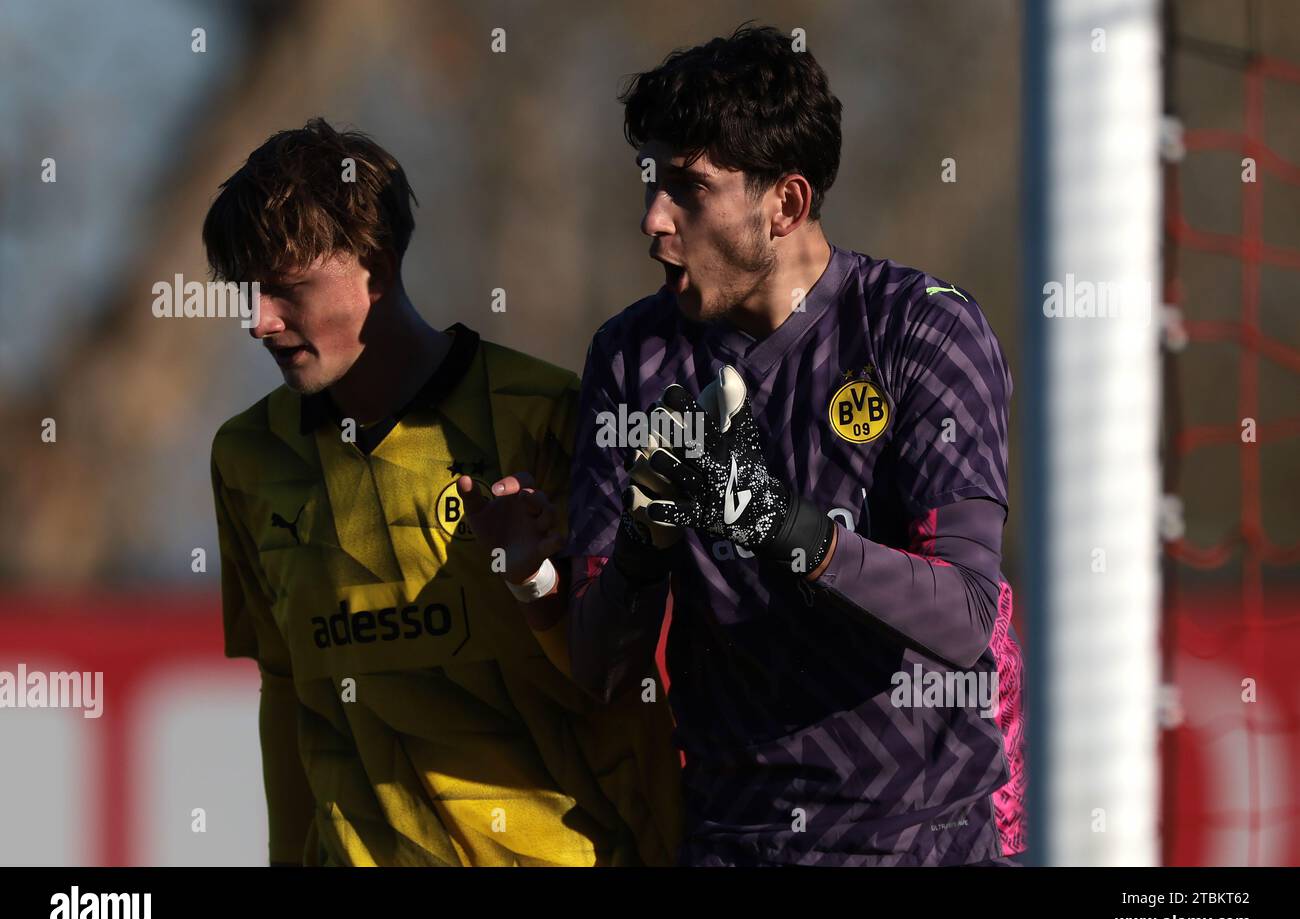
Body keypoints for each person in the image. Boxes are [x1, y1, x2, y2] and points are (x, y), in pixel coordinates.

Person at [539, 24, 1025, 866]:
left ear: (787, 205)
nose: (652, 219)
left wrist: (781, 526)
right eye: (651, 181)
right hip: (728, 839)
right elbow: (600, 665)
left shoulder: (922, 328)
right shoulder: (633, 358)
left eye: (688, 188)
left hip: (923, 839)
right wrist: (644, 551)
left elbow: (965, 616)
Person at [206, 118, 680, 866]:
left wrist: (538, 580)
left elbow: (625, 680)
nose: (258, 321)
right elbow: (286, 689)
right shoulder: (245, 455)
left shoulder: (552, 417)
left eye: (286, 288)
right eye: (248, 290)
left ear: (379, 266)